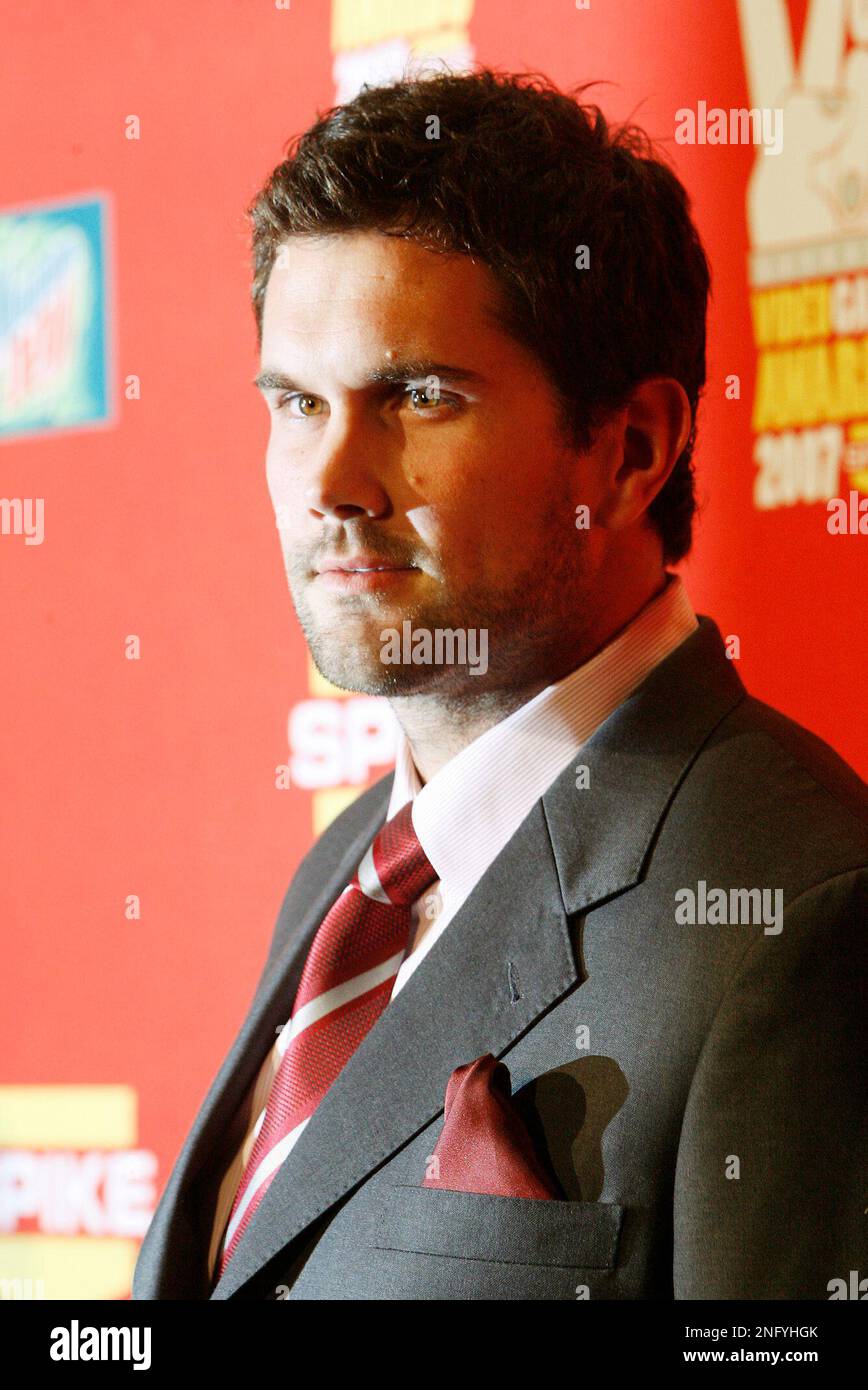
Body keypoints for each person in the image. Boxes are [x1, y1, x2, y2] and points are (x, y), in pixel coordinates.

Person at [132, 68, 867, 1301]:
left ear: (630, 449)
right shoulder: (347, 876)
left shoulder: (795, 907)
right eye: (296, 402)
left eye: (417, 397)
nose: (332, 480)